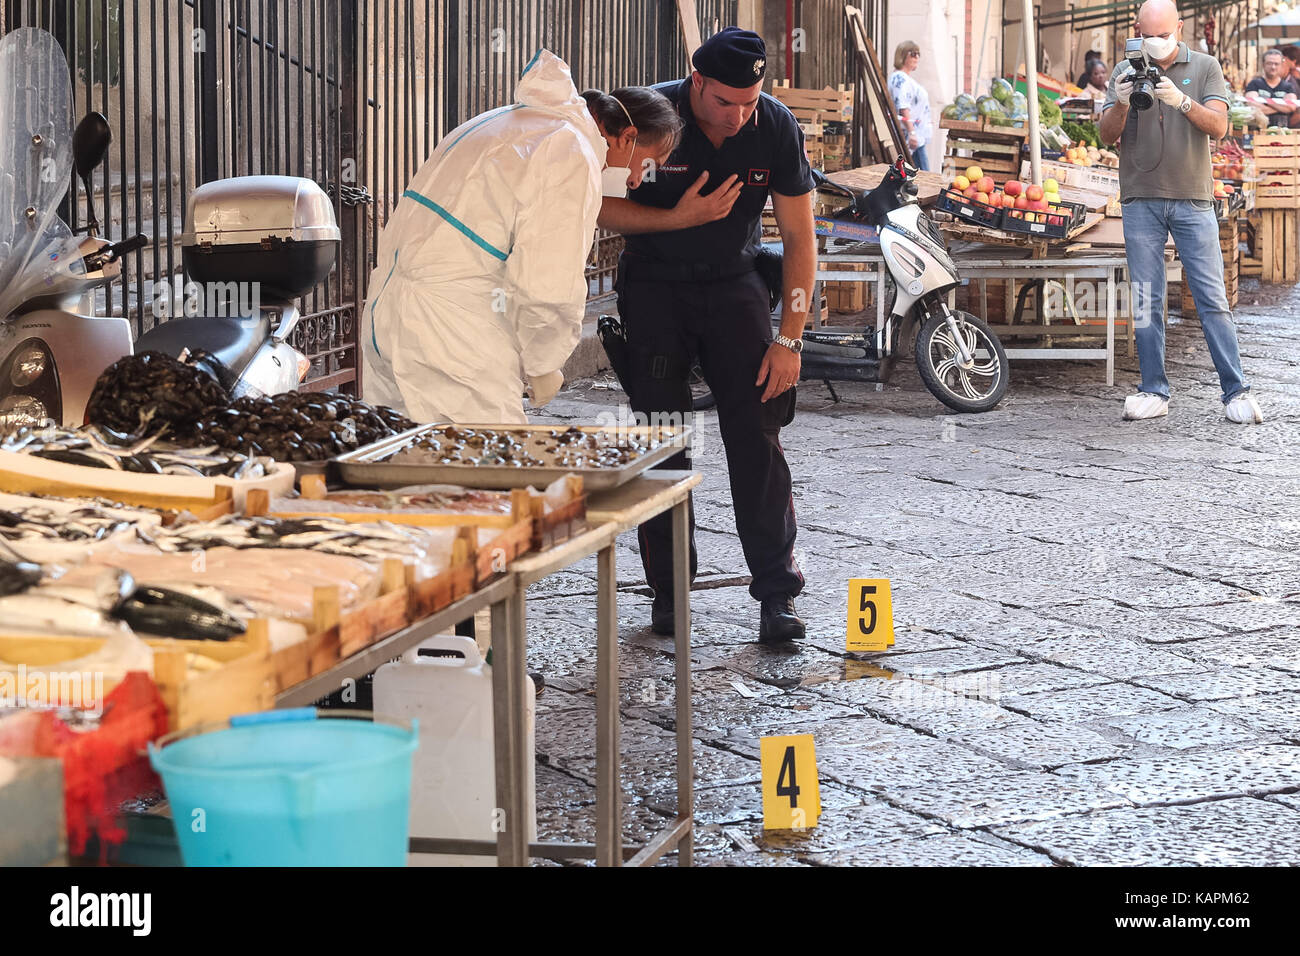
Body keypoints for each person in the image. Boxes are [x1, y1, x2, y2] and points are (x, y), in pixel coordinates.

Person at [597, 27, 816, 644]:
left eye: (749, 101)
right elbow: (596, 205)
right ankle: (669, 595)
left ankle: (777, 592)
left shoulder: (774, 125)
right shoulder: (648, 115)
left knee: (758, 437)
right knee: (662, 440)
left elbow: (800, 236)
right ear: (696, 83)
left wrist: (790, 339)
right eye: (724, 102)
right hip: (656, 288)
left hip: (736, 285)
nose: (737, 115)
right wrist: (677, 216)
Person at [360, 50, 681, 424]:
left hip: (387, 315)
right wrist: (545, 363)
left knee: (402, 465)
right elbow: (546, 283)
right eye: (647, 165)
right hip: (450, 335)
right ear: (627, 136)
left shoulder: (506, 121)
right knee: (482, 471)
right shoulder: (569, 151)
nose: (637, 181)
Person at [1099, 0, 1262, 424]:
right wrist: (1119, 104)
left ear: (1180, 28)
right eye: (1148, 35)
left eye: (1164, 34)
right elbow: (1105, 136)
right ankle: (1153, 388)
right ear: (1137, 30)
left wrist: (1181, 101)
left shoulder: (1205, 66)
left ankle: (1236, 390)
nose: (1156, 43)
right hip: (1140, 199)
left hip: (1192, 197)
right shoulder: (1122, 71)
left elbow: (1220, 126)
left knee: (1212, 298)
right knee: (1146, 298)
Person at [888, 41, 932, 171]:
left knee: (922, 177)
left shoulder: (904, 79)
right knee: (924, 178)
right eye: (913, 54)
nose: (917, 57)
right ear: (903, 56)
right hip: (911, 139)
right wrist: (912, 132)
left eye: (918, 54)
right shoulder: (900, 79)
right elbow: (903, 107)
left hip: (916, 138)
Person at [1244, 49, 1298, 121]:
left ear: (1281, 65)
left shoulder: (1288, 86)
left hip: (1282, 130)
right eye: (1269, 63)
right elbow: (1252, 105)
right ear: (1263, 64)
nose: (1273, 67)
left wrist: (1264, 101)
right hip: (1258, 130)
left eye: (1276, 64)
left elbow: (1291, 107)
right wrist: (1281, 108)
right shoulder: (1254, 84)